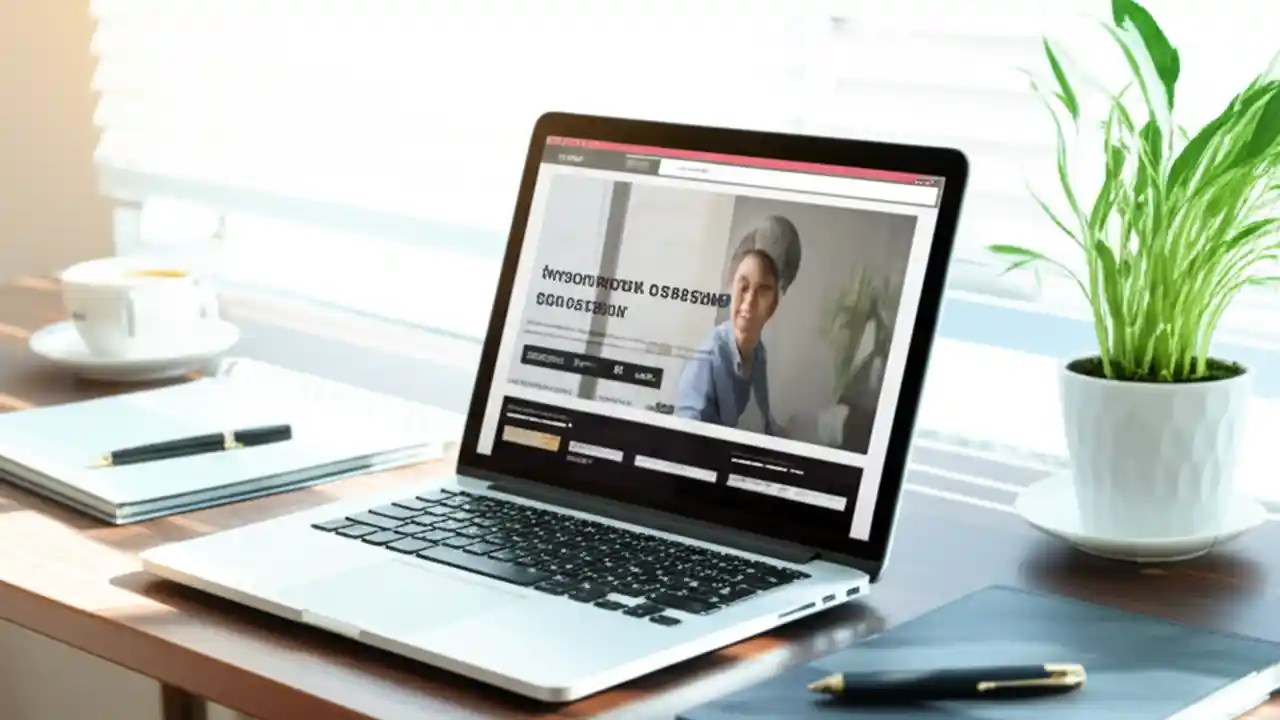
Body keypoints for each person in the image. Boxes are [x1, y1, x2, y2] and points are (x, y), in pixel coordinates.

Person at [675, 215, 801, 435]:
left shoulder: (759, 353)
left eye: (763, 290)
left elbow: (764, 419)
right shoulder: (708, 358)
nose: (750, 301)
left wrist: (782, 433)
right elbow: (683, 432)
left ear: (775, 302)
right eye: (743, 286)